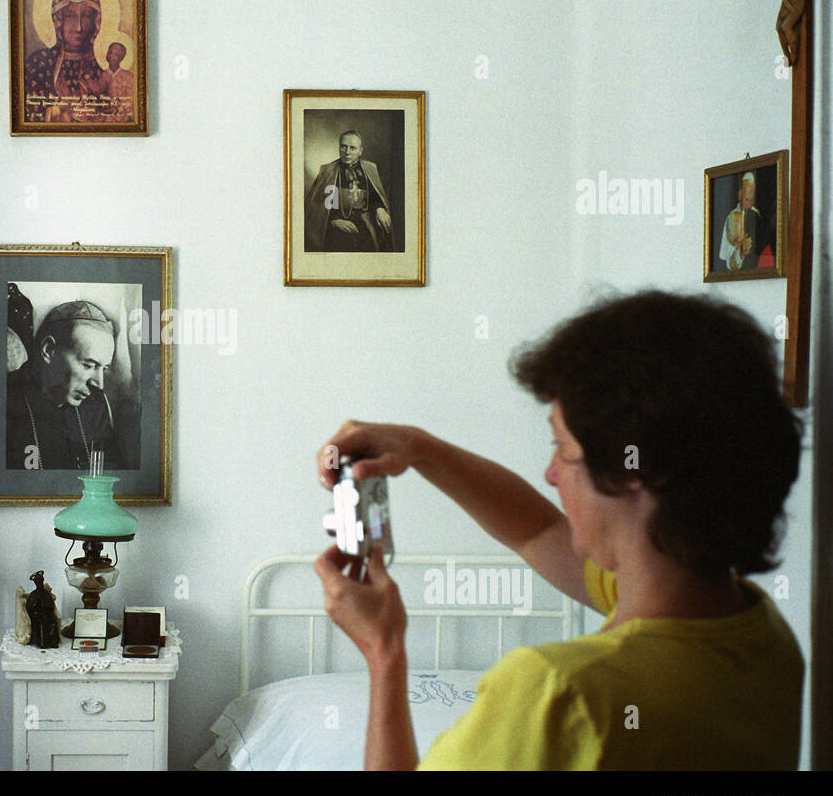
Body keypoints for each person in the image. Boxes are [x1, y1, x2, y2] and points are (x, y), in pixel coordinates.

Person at [315, 290, 804, 769]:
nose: (551, 473)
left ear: (632, 470)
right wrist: (420, 448)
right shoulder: (763, 638)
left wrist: (384, 652)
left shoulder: (560, 692)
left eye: (562, 447)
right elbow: (536, 532)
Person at [6, 300, 137, 471]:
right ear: (48, 350)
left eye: (103, 368)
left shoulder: (95, 404)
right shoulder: (4, 400)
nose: (99, 384)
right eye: (88, 365)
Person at [24, 0, 106, 123]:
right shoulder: (38, 63)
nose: (79, 27)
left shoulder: (99, 69)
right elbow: (27, 115)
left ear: (95, 23)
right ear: (57, 21)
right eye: (70, 16)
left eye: (86, 17)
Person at [305, 131, 394, 253]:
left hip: (365, 224)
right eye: (343, 146)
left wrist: (380, 209)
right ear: (339, 148)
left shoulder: (370, 169)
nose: (347, 152)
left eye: (352, 148)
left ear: (360, 151)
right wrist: (334, 221)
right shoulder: (328, 171)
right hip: (336, 227)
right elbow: (322, 205)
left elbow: (375, 196)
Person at [718, 172, 770, 271]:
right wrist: (740, 251)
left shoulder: (757, 216)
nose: (750, 205)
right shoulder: (731, 217)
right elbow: (728, 262)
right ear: (740, 195)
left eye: (752, 200)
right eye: (747, 200)